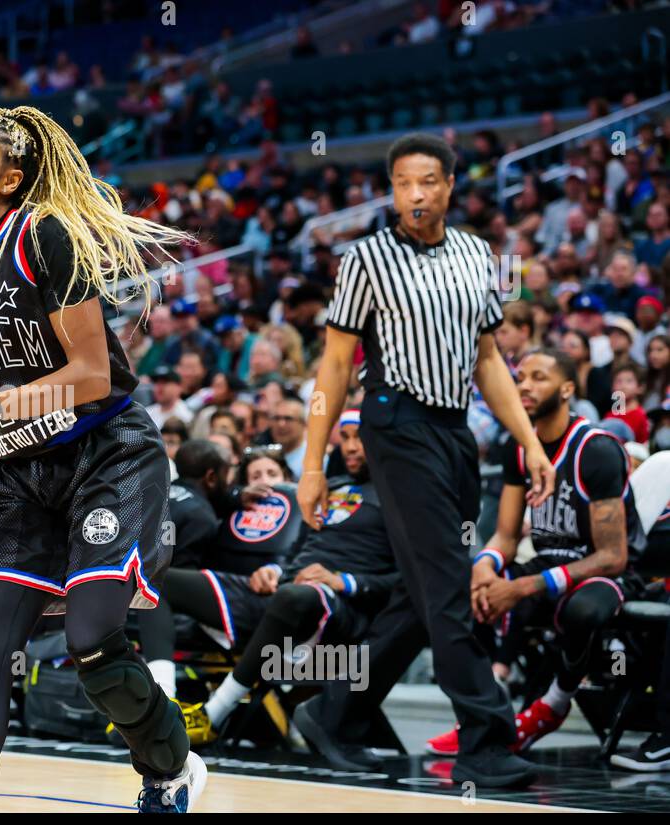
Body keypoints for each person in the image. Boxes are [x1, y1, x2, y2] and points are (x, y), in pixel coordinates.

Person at [0, 105, 207, 813]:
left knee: (94, 640)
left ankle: (171, 766)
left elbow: (92, 373)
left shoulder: (43, 237)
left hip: (108, 454)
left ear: (11, 178)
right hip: (22, 471)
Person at [298, 133, 556, 788]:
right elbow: (333, 365)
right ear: (392, 189)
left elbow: (490, 360)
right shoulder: (365, 259)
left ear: (448, 186)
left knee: (422, 595)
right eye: (404, 183)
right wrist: (313, 462)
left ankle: (332, 712)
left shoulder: (477, 254)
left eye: (429, 182)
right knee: (447, 584)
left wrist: (528, 440)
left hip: (454, 431)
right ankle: (486, 738)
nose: (416, 194)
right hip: (396, 424)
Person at [426, 349, 646, 755]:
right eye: (521, 377)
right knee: (468, 592)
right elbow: (506, 536)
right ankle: (483, 714)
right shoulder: (518, 445)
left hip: (606, 573)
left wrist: (528, 585)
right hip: (549, 563)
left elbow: (613, 555)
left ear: (566, 389)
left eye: (538, 377)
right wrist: (485, 566)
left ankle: (553, 704)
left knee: (583, 609)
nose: (525, 385)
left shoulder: (595, 449)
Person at [157, 410, 399, 745]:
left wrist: (344, 582)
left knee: (295, 596)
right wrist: (274, 570)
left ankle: (212, 715)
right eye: (345, 438)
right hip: (287, 593)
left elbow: (405, 580)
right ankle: (161, 704)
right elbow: (297, 551)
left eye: (360, 437)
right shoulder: (330, 488)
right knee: (159, 581)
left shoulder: (401, 499)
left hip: (337, 609)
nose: (352, 447)